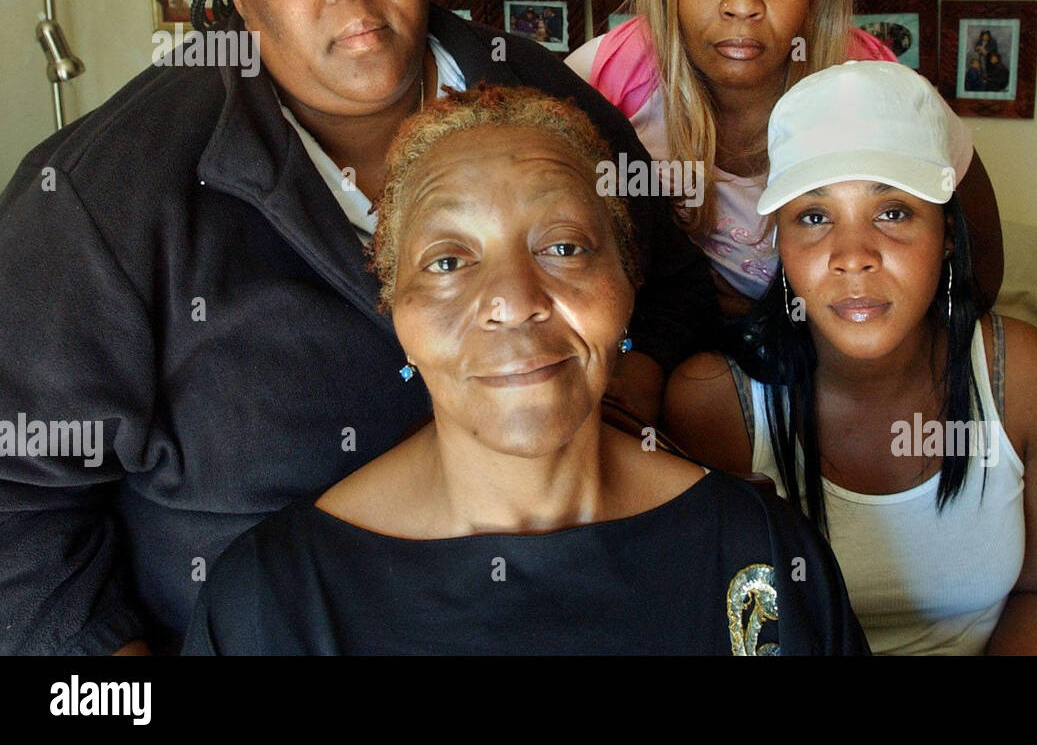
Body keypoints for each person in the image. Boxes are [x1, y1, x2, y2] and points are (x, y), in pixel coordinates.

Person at [0, 0, 717, 656]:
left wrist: (614, 398)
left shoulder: (543, 105)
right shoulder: (105, 192)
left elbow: (672, 285)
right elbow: (19, 504)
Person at [182, 84, 868, 656]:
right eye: (448, 262)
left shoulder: (759, 557)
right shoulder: (274, 600)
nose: (513, 301)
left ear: (627, 283)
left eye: (564, 246)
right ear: (397, 310)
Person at [663, 61, 1037, 655]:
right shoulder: (714, 402)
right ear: (778, 242)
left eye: (892, 213)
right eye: (814, 218)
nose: (852, 256)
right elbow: (719, 625)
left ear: (947, 234)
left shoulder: (1021, 375)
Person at [566, 0, 1002, 337]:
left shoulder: (876, 85)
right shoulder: (605, 80)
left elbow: (979, 266)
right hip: (677, 345)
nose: (742, 5)